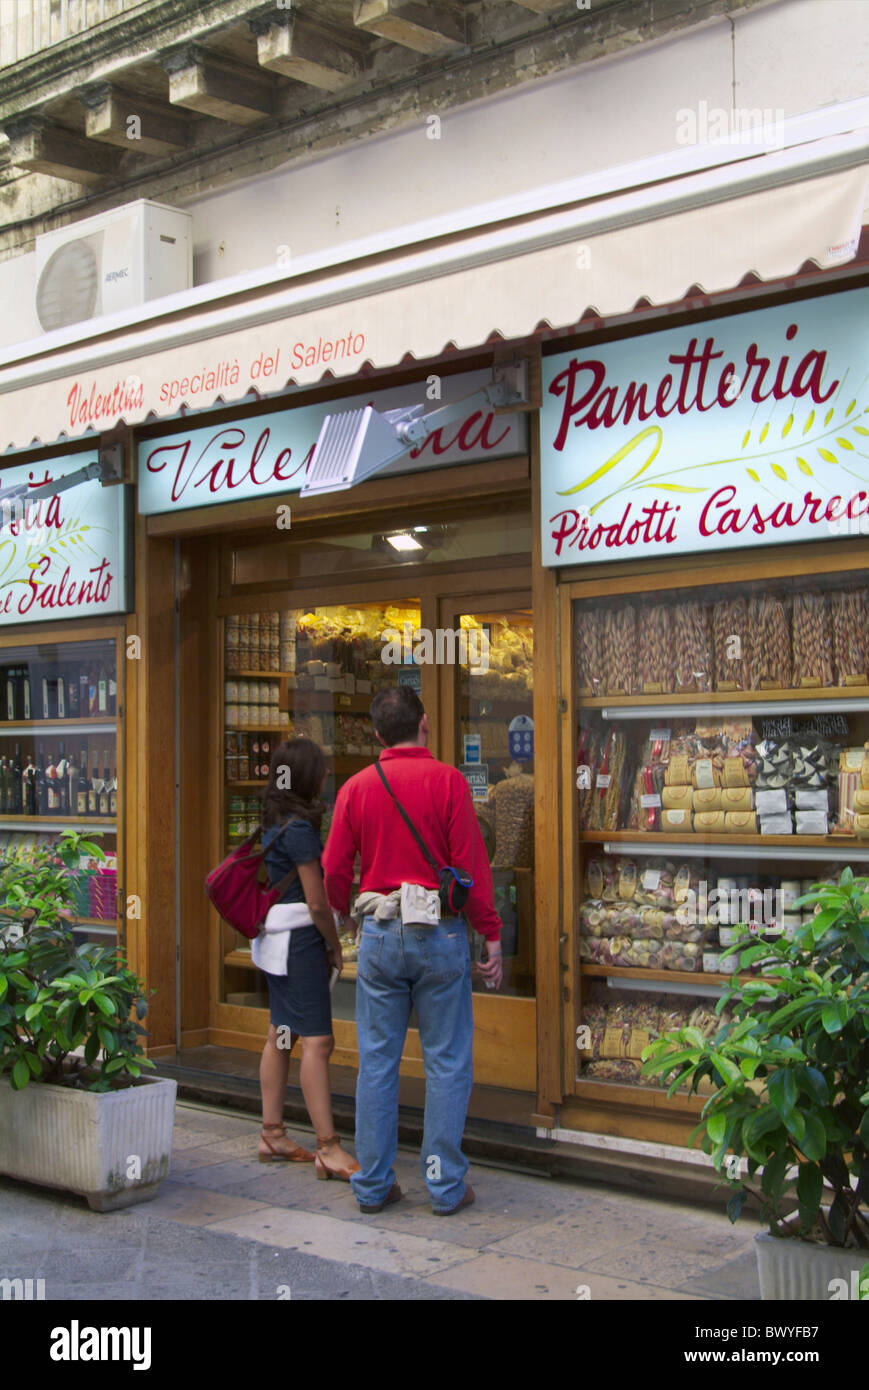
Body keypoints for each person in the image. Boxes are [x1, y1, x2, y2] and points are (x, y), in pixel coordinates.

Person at [322, 686, 502, 1216]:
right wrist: (490, 935)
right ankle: (444, 1186)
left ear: (377, 734)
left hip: (379, 933)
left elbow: (334, 867)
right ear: (424, 724)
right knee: (446, 1062)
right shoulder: (448, 782)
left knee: (377, 1062)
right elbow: (472, 866)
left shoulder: (356, 787)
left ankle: (374, 1184)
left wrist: (341, 914)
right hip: (440, 934)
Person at [253, 736, 360, 1181]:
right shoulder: (299, 829)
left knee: (282, 1034)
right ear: (307, 777)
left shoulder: (274, 821)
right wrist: (334, 945)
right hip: (299, 943)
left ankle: (272, 1132)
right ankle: (328, 1147)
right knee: (318, 1042)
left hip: (275, 941)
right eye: (322, 770)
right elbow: (317, 902)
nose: (327, 776)